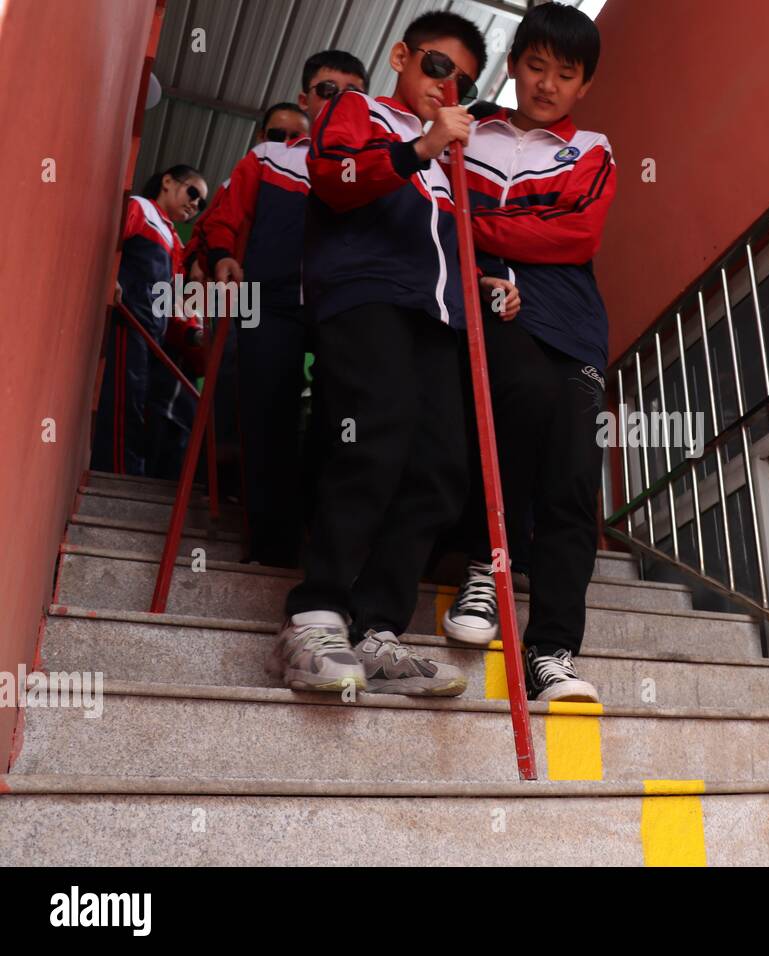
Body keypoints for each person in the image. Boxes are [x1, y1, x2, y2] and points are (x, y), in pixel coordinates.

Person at [270, 12, 498, 696]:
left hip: (438, 318)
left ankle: (376, 629)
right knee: (374, 438)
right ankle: (314, 615)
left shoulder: (452, 156)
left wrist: (483, 283)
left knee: (440, 467)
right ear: (401, 55)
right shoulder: (358, 109)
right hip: (364, 296)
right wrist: (420, 146)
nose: (446, 84)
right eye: (435, 66)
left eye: (461, 79)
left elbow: (447, 241)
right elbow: (335, 179)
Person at [440, 2, 615, 703]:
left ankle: (553, 653)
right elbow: (436, 207)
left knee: (572, 483)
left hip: (572, 325)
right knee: (512, 422)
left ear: (583, 87)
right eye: (535, 66)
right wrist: (511, 229)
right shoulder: (469, 130)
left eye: (564, 74)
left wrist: (479, 226)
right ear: (512, 64)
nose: (546, 84)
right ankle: (486, 570)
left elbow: (578, 238)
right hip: (489, 310)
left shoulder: (593, 149)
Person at [193, 51, 369, 567]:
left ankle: (326, 537)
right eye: (326, 90)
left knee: (344, 420)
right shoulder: (268, 158)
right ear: (306, 99)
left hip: (343, 306)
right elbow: (224, 217)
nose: (339, 100)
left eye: (352, 91)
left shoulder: (377, 161)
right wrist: (222, 256)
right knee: (265, 413)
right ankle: (271, 544)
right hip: (266, 301)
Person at [92, 164, 208, 477]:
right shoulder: (142, 208)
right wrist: (110, 276)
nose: (195, 204)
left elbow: (171, 306)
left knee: (137, 410)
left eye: (201, 202)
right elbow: (108, 237)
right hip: (126, 327)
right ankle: (117, 478)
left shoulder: (175, 244)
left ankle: (127, 474)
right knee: (122, 407)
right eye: (193, 192)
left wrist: (196, 337)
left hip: (149, 339)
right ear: (167, 181)